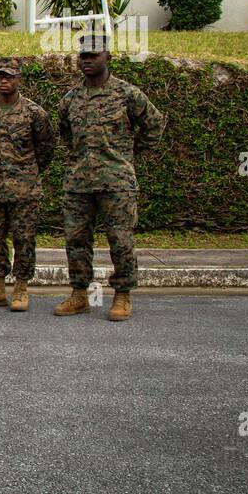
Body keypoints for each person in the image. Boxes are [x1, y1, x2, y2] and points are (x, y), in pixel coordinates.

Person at [53, 33, 166, 321]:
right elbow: (65, 134)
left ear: (108, 58)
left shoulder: (127, 94)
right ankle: (80, 294)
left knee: (121, 240)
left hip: (117, 183)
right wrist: (78, 158)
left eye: (94, 55)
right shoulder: (70, 100)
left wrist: (127, 156)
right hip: (78, 183)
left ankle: (123, 295)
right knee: (76, 241)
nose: (87, 61)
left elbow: (153, 124)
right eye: (83, 56)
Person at [0, 60, 56, 312]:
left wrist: (29, 172)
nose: (4, 81)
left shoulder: (34, 113)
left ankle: (21, 287)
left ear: (19, 79)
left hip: (24, 190)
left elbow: (46, 148)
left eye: (9, 76)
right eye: (0, 76)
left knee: (24, 239)